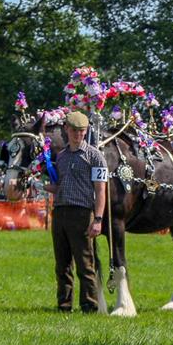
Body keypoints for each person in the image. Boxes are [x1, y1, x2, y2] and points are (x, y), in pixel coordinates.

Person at [44, 110, 106, 313]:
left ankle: (89, 305)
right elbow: (59, 185)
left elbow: (100, 190)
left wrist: (98, 219)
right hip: (60, 212)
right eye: (74, 130)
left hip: (82, 214)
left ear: (86, 131)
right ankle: (64, 304)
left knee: (85, 263)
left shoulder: (95, 156)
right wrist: (40, 186)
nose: (78, 134)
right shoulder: (61, 157)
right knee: (62, 264)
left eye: (82, 131)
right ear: (66, 130)